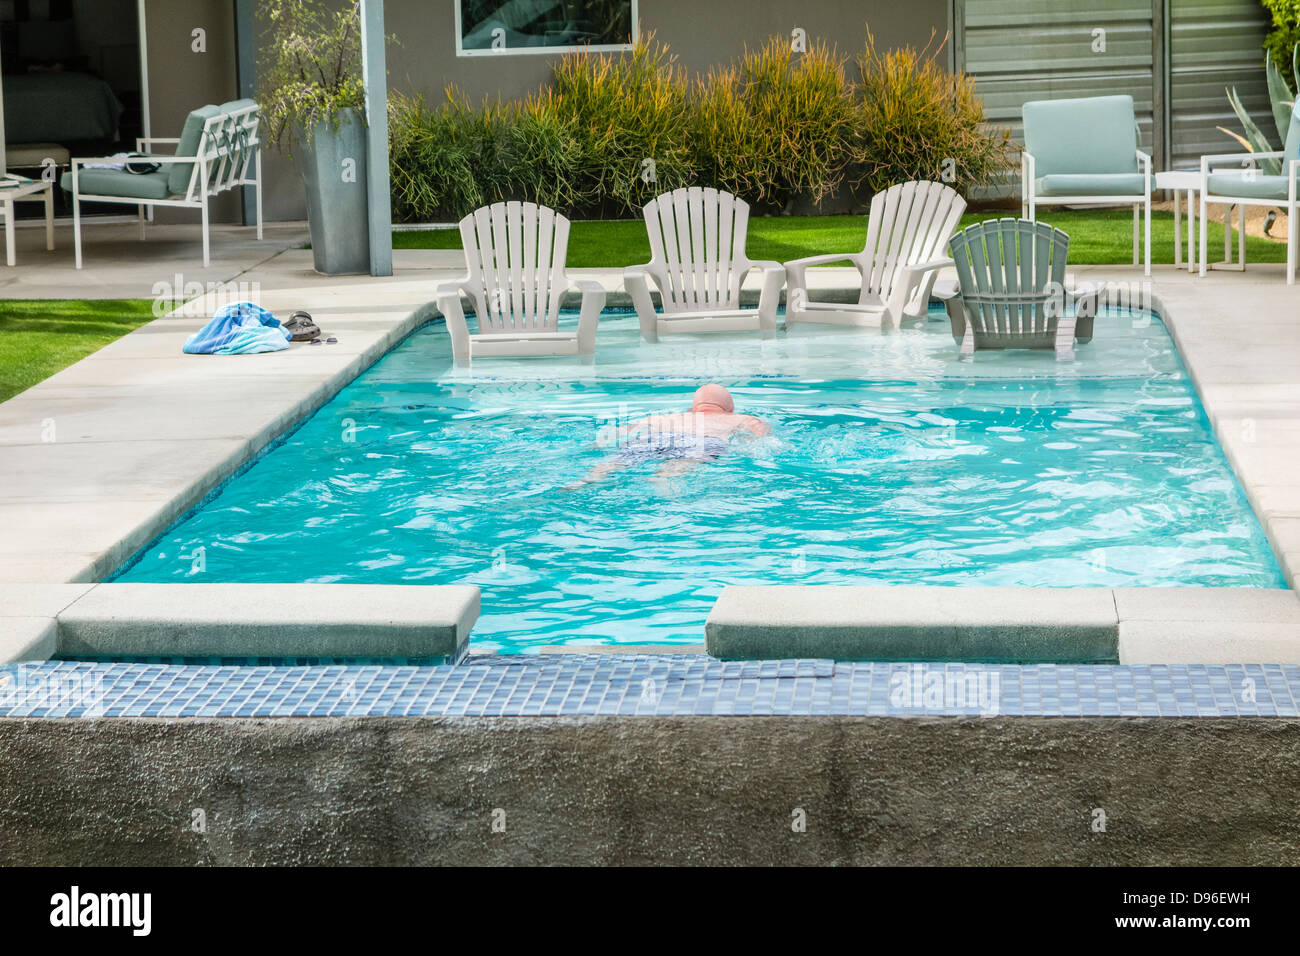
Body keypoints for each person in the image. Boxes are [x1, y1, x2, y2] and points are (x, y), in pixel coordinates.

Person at [569, 384, 770, 490]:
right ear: (731, 408)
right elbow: (761, 435)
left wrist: (593, 446)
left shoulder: (667, 417)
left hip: (660, 437)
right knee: (680, 464)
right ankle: (663, 480)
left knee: (617, 461)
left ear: (693, 407)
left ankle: (590, 478)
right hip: (704, 441)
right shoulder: (740, 418)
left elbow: (619, 431)